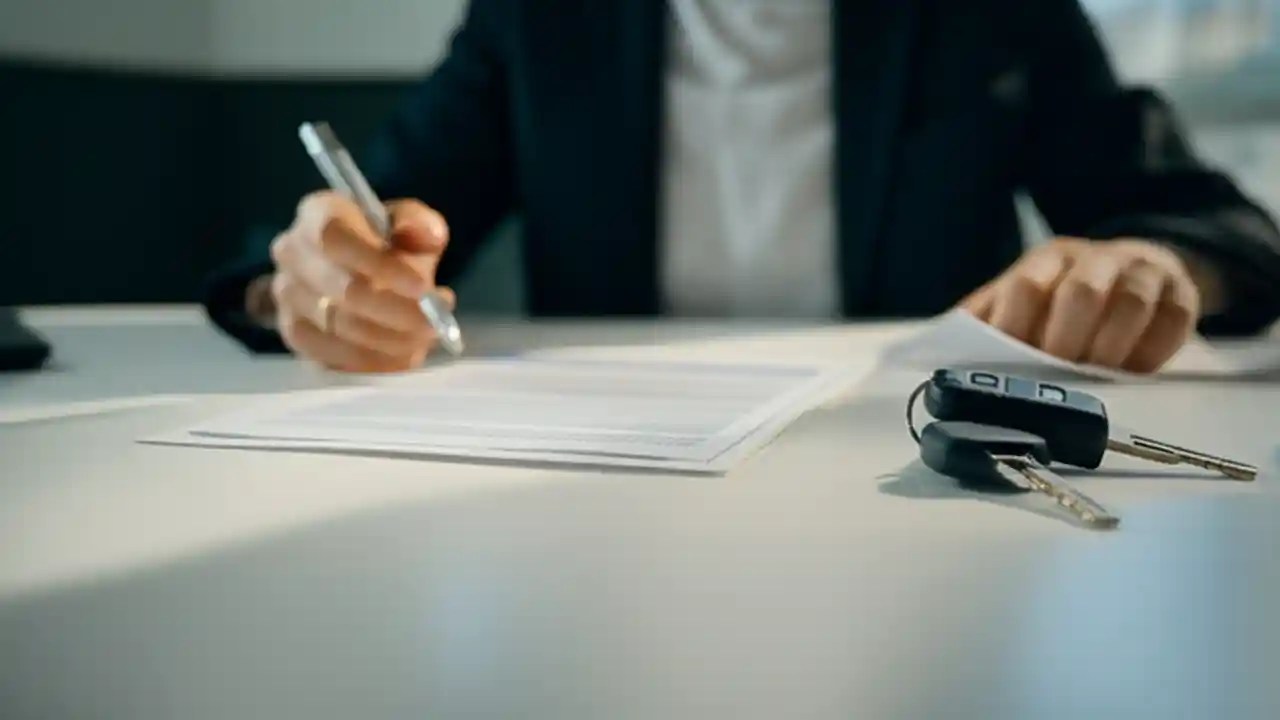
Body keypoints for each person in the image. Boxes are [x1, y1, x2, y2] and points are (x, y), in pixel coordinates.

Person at [205, 0, 1280, 373]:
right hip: (592, 502)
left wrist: (1153, 263)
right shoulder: (544, 18)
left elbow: (1222, 229)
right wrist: (301, 285)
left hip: (912, 492)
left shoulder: (986, 12)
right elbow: (353, 223)